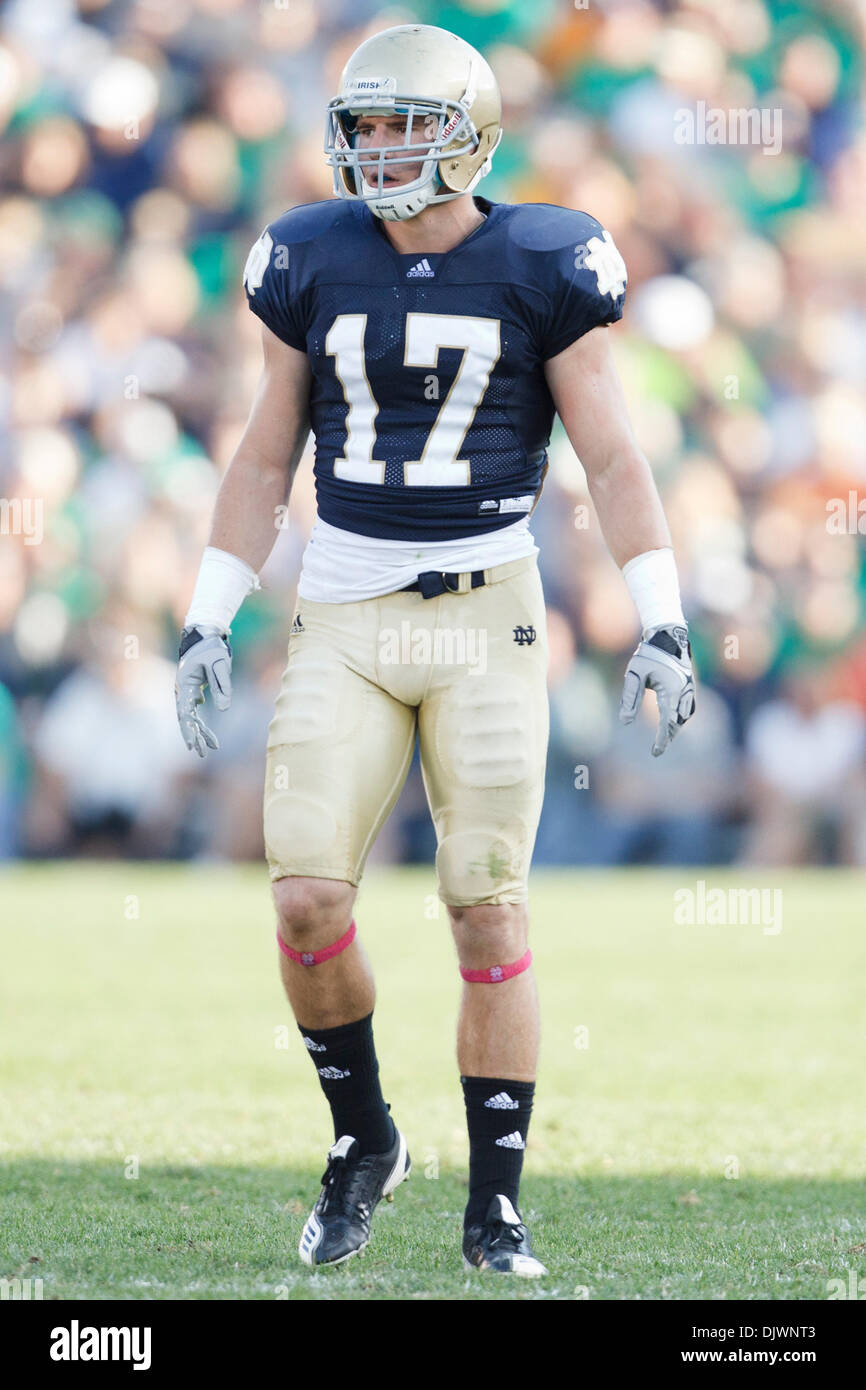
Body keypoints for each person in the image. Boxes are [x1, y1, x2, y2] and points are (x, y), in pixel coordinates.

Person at [174, 23, 695, 1277]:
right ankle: (366, 1141)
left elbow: (612, 455)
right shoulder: (308, 253)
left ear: (469, 133)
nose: (381, 145)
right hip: (346, 610)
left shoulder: (544, 256)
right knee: (303, 897)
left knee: (482, 898)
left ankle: (496, 1203)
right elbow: (261, 454)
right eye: (366, 122)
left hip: (486, 609)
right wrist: (206, 611)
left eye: (409, 122)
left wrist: (661, 615)